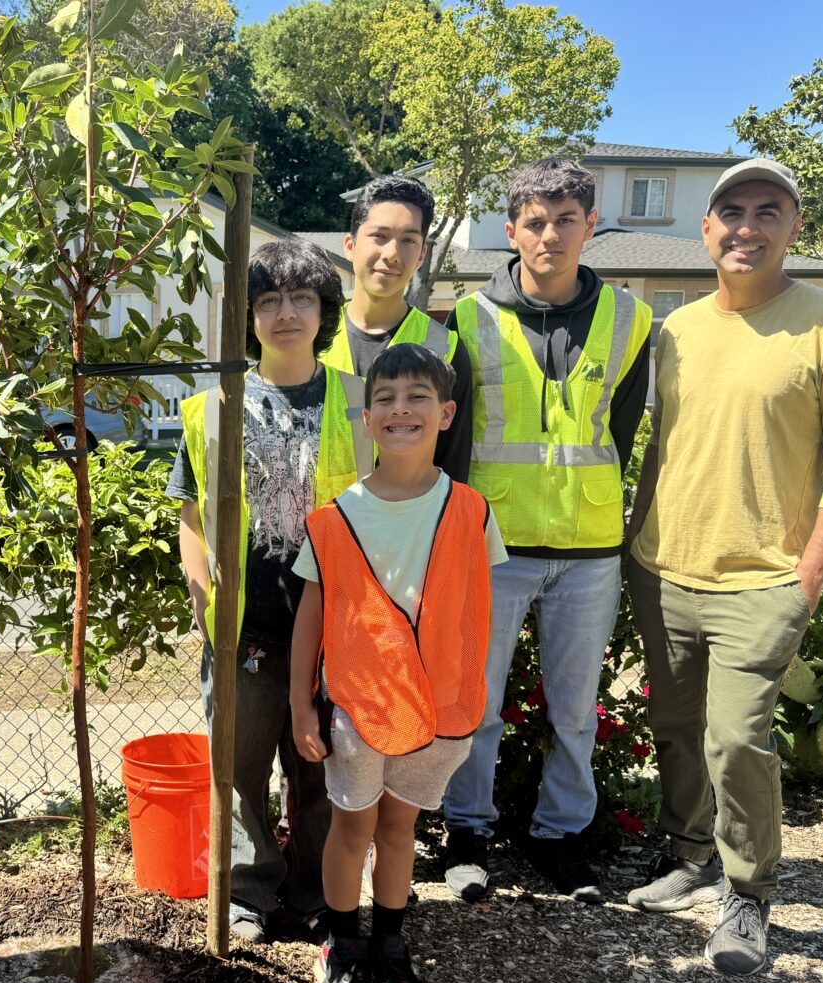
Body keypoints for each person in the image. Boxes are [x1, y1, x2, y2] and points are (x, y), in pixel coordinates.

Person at [625, 159, 823, 975]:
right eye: (731, 211)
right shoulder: (677, 329)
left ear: (793, 227)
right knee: (676, 729)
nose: (747, 226)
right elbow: (664, 447)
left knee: (737, 739)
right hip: (664, 568)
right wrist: (633, 547)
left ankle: (748, 890)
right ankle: (689, 853)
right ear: (705, 229)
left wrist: (809, 576)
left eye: (767, 210)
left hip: (765, 577)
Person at [442, 157, 652, 903]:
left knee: (574, 712)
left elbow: (620, 431)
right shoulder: (468, 318)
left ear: (591, 226)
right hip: (494, 545)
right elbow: (453, 436)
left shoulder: (630, 318)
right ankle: (467, 833)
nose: (551, 236)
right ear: (512, 231)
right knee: (476, 706)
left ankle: (559, 835)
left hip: (589, 549)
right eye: (535, 222)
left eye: (567, 220)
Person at [290, 343, 506, 983]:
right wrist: (300, 704)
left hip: (438, 709)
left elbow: (474, 610)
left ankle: (390, 943)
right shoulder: (337, 516)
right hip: (358, 706)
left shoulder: (471, 510)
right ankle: (341, 944)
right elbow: (312, 616)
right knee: (351, 826)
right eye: (384, 397)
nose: (400, 409)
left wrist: (471, 691)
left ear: (446, 414)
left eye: (417, 397)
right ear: (367, 417)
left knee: (399, 827)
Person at [169, 237, 356, 943]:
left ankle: (317, 893)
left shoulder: (358, 401)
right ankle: (246, 892)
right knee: (239, 770)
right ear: (247, 317)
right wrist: (200, 594)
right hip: (245, 628)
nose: (286, 314)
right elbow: (191, 514)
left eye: (302, 298)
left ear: (323, 310)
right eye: (269, 300)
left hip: (336, 630)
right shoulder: (211, 407)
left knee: (320, 773)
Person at [321, 174, 473, 482]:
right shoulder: (310, 336)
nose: (391, 254)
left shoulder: (446, 349)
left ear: (421, 255)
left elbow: (452, 472)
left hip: (409, 515)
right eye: (379, 236)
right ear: (350, 246)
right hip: (314, 513)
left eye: (408, 241)